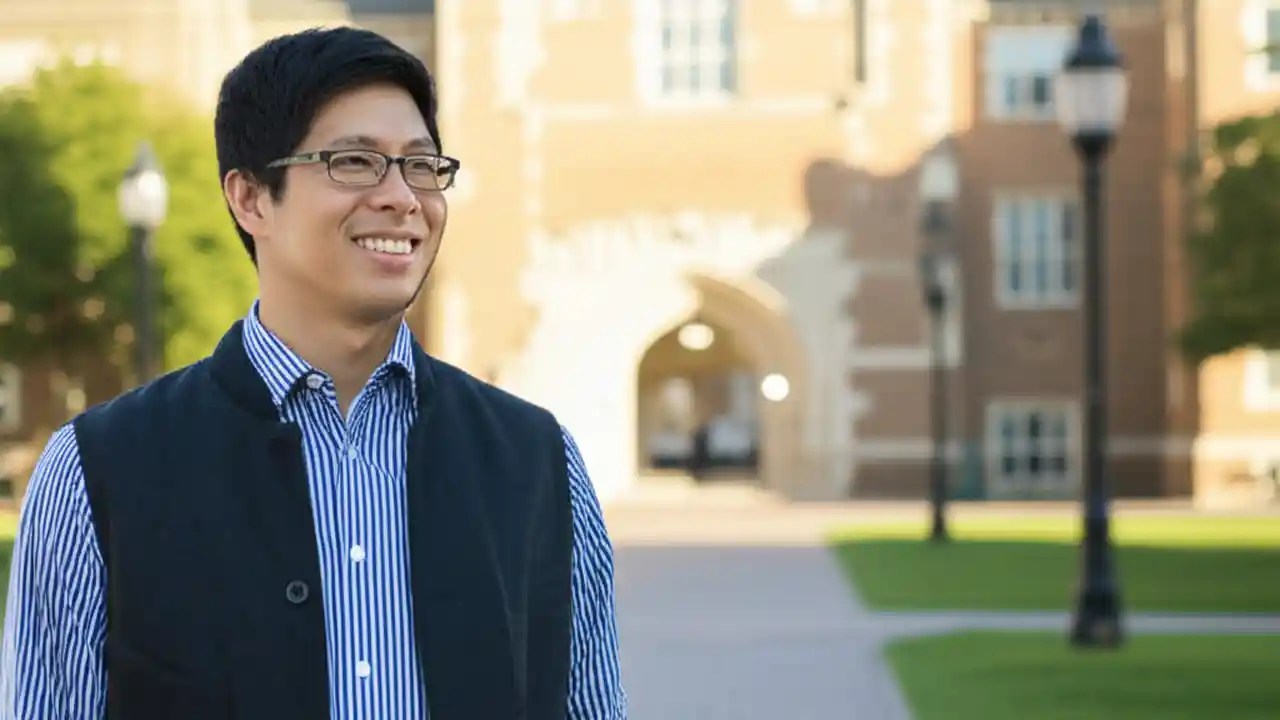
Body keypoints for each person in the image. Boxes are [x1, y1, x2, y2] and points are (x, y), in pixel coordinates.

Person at [0, 27, 626, 719]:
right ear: (250, 198)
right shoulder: (97, 471)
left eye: (421, 165)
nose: (402, 197)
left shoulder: (539, 463)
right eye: (355, 162)